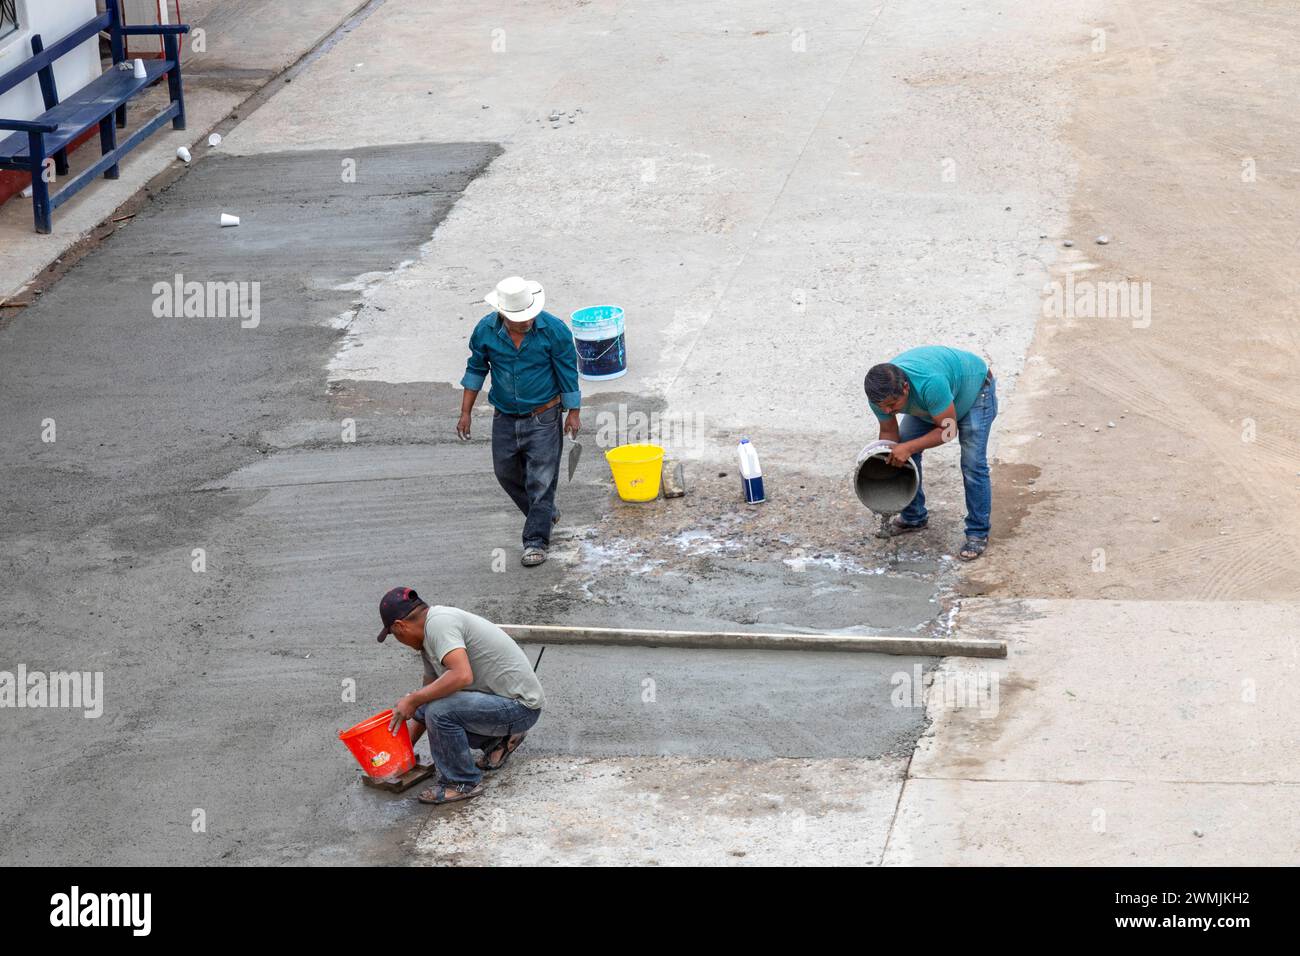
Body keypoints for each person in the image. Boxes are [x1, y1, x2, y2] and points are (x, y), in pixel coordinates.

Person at [376, 587, 544, 806]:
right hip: (502, 704)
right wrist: (402, 756)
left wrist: (414, 700)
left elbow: (461, 676)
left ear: (399, 626)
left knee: (440, 712)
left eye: (394, 635)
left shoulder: (439, 624)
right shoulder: (428, 639)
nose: (399, 640)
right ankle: (498, 743)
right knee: (430, 704)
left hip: (520, 708)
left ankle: (461, 782)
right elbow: (423, 701)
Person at [457, 276, 581, 567]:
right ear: (502, 314)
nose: (526, 322)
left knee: (541, 480)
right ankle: (545, 514)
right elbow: (476, 369)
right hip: (504, 416)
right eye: (518, 318)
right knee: (505, 473)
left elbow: (567, 372)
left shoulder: (554, 330)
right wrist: (465, 412)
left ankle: (536, 540)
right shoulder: (485, 332)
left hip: (545, 416)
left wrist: (573, 411)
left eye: (529, 316)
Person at [864, 345, 998, 560]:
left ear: (905, 388)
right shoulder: (880, 397)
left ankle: (977, 532)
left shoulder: (929, 383)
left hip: (975, 393)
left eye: (892, 405)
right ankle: (913, 517)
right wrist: (885, 463)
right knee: (902, 449)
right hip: (935, 407)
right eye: (883, 407)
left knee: (973, 464)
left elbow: (948, 431)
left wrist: (908, 447)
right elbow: (889, 432)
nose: (888, 411)